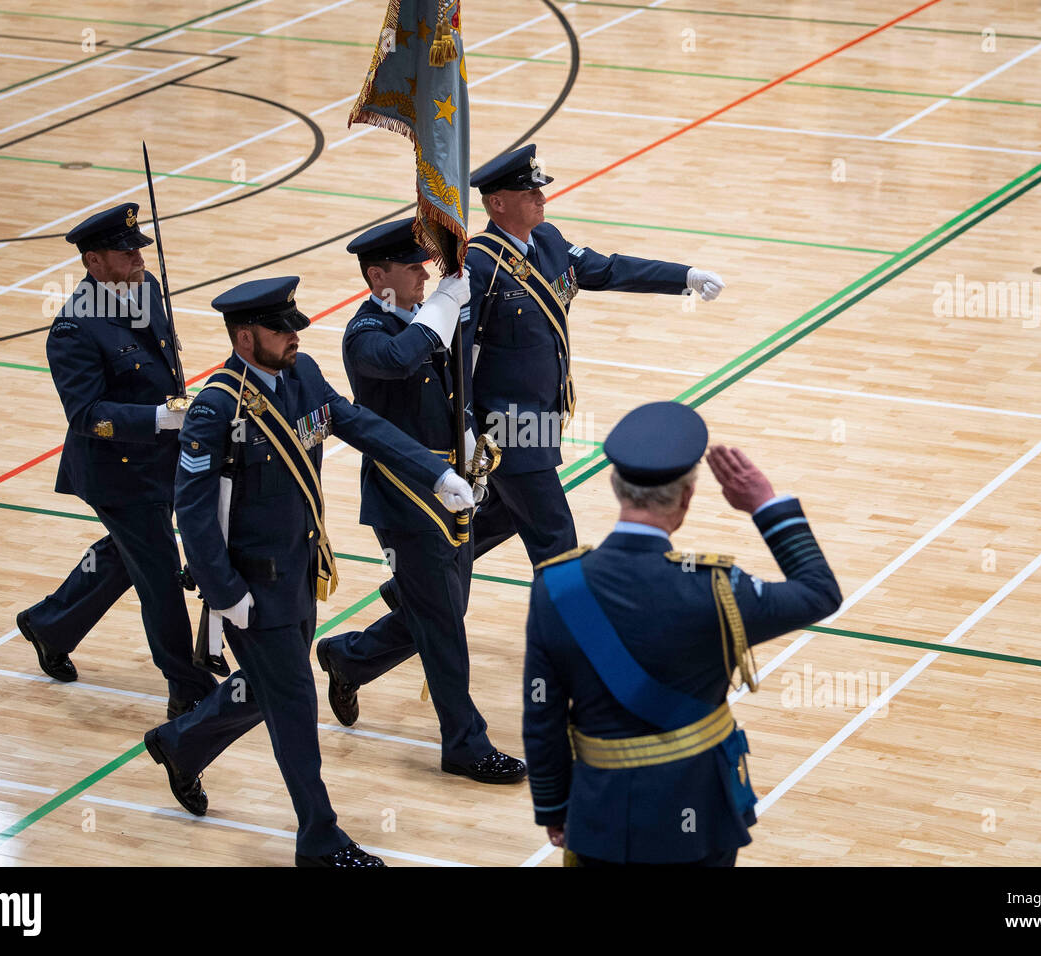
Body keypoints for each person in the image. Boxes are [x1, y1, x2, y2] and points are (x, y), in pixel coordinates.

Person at [142, 275, 475, 867]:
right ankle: (319, 838)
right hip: (250, 588)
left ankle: (180, 743)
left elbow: (363, 426)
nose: (294, 336)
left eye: (295, 325)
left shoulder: (302, 377)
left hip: (301, 571)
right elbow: (191, 513)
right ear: (246, 339)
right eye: (280, 329)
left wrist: (434, 473)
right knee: (295, 705)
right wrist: (225, 595)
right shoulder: (216, 409)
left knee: (274, 685)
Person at [522, 401, 842, 866]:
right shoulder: (717, 589)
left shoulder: (557, 587)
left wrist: (553, 806)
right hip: (698, 816)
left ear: (615, 487)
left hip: (600, 817)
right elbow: (819, 592)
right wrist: (764, 504)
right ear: (688, 497)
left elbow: (542, 717)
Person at [314, 219, 526, 785]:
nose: (424, 274)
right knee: (443, 625)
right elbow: (405, 357)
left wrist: (474, 441)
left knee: (442, 613)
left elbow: (456, 387)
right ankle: (464, 743)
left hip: (452, 485)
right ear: (376, 275)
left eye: (423, 265)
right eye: (412, 267)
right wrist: (443, 307)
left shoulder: (421, 318)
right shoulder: (364, 335)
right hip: (405, 495)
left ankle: (350, 658)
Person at [465, 144, 727, 567]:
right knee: (557, 541)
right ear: (498, 203)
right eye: (530, 194)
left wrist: (685, 277)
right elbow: (458, 355)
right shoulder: (478, 266)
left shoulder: (548, 241)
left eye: (540, 191)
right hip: (507, 425)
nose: (542, 198)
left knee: (502, 516)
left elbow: (609, 270)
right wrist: (464, 428)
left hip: (547, 413)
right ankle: (569, 630)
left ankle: (412, 593)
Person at [16, 202, 216, 719]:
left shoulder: (144, 288)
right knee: (161, 576)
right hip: (118, 472)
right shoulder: (73, 329)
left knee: (128, 555)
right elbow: (86, 414)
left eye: (138, 251)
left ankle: (50, 624)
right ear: (93, 263)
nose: (137, 261)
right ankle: (185, 685)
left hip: (164, 457)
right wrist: (160, 418)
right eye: (125, 254)